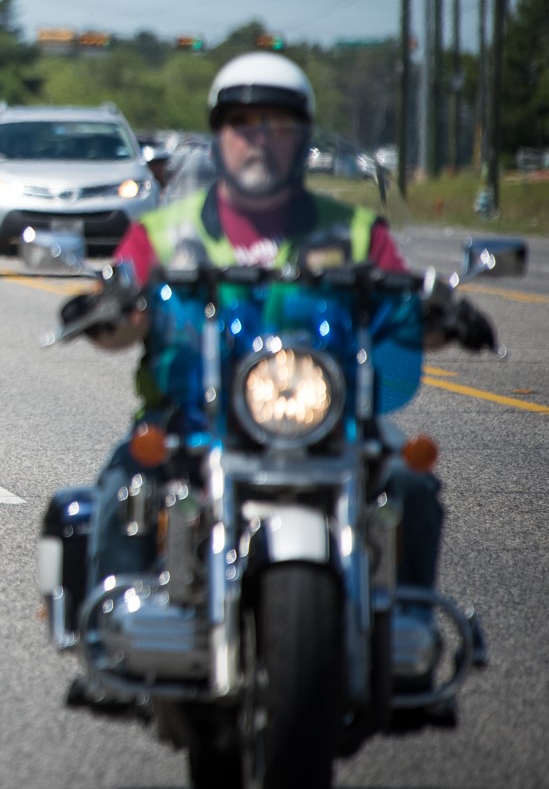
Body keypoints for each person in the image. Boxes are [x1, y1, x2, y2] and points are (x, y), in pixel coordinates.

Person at [72, 52, 488, 666]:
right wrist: (106, 310)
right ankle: (108, 641)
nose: (259, 140)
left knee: (409, 480)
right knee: (125, 481)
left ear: (303, 139)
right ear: (219, 137)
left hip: (328, 423)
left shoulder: (353, 231)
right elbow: (123, 314)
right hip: (195, 419)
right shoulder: (166, 232)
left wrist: (443, 313)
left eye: (279, 125)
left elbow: (400, 310)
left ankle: (406, 620)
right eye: (244, 125)